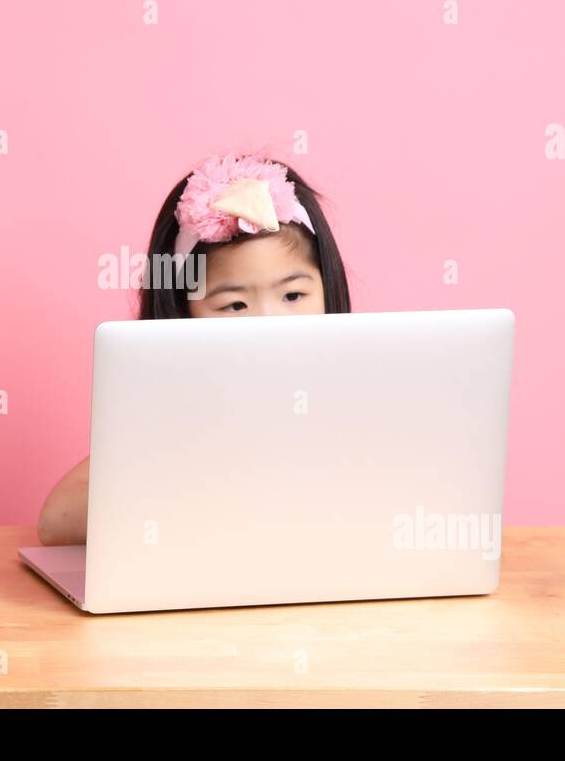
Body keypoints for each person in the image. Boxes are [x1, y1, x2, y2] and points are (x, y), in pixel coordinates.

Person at [36, 151, 352, 545]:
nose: (269, 325)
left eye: (293, 295)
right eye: (234, 304)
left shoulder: (357, 397)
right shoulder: (175, 413)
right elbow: (56, 522)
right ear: (184, 314)